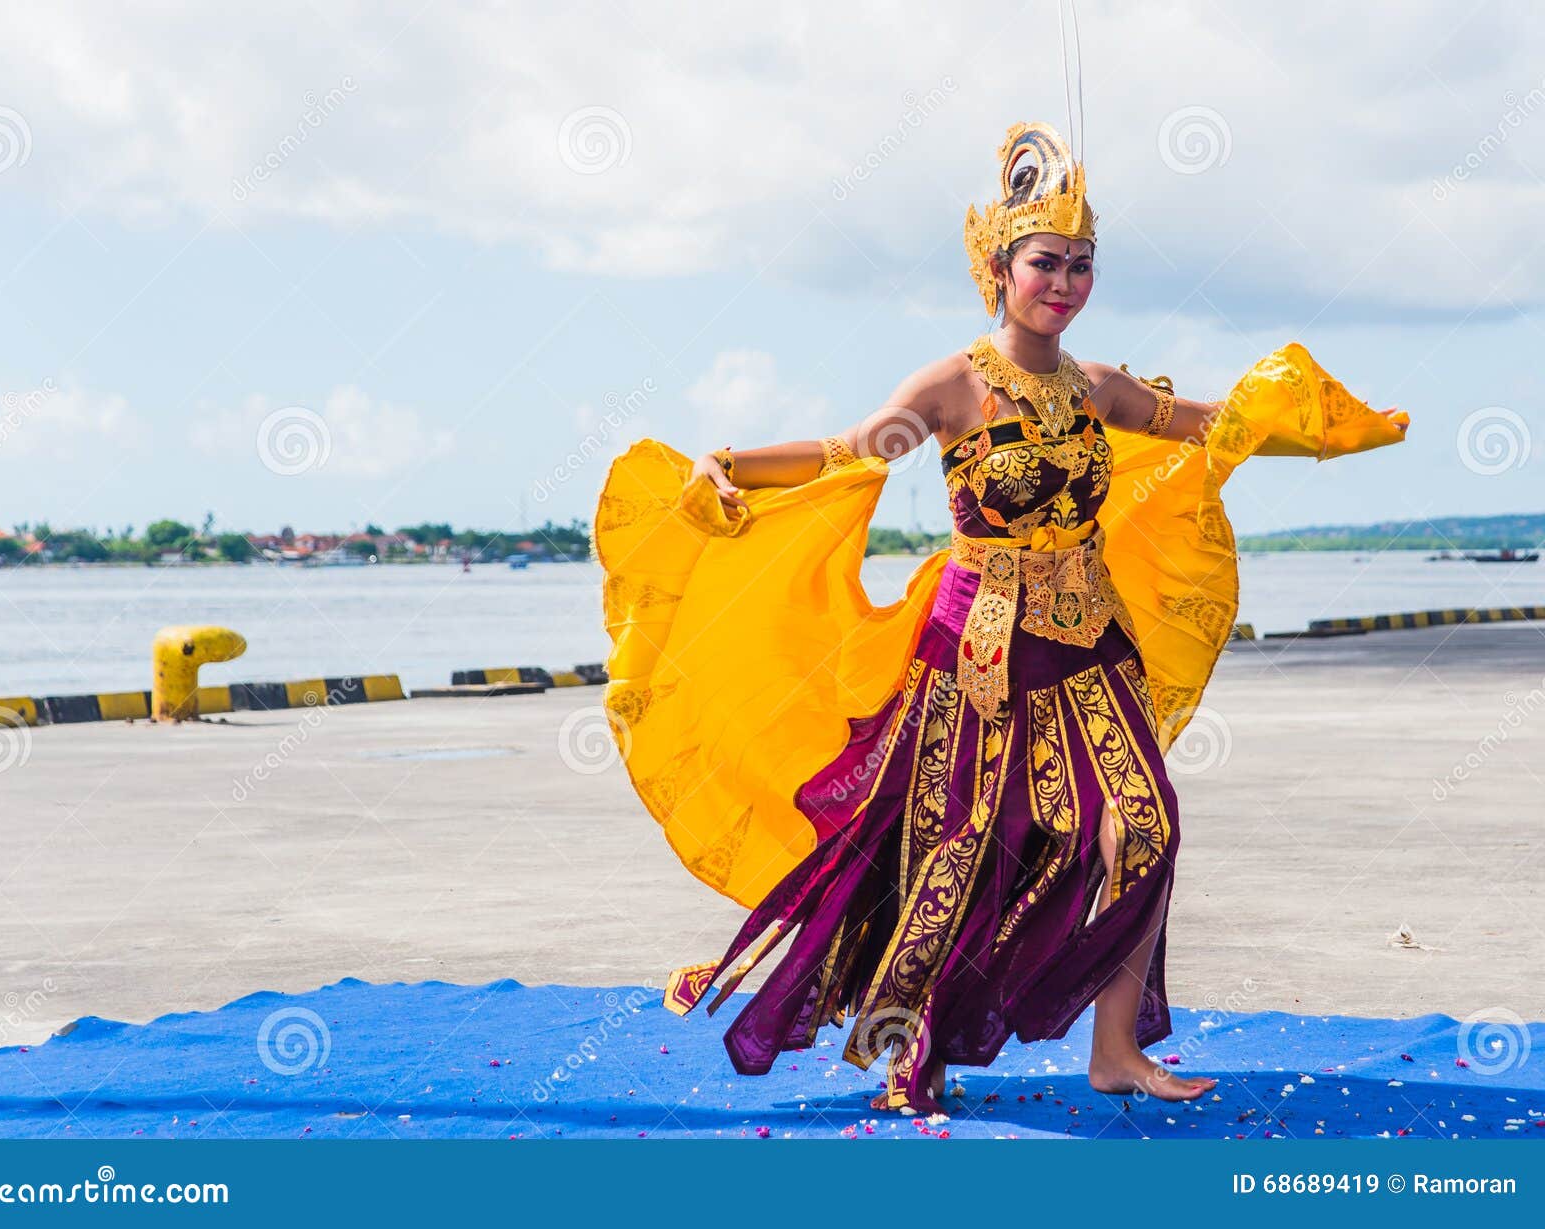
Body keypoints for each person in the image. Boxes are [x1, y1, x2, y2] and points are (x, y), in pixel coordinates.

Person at [594, 121, 1409, 1118]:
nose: (1063, 282)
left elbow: (1214, 424)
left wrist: (1323, 427)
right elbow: (850, 450)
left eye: (1080, 265)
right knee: (956, 845)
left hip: (1090, 638)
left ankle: (1116, 1051)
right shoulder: (953, 387)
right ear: (996, 267)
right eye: (1044, 263)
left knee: (1143, 825)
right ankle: (910, 1045)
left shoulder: (1098, 388)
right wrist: (726, 461)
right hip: (973, 650)